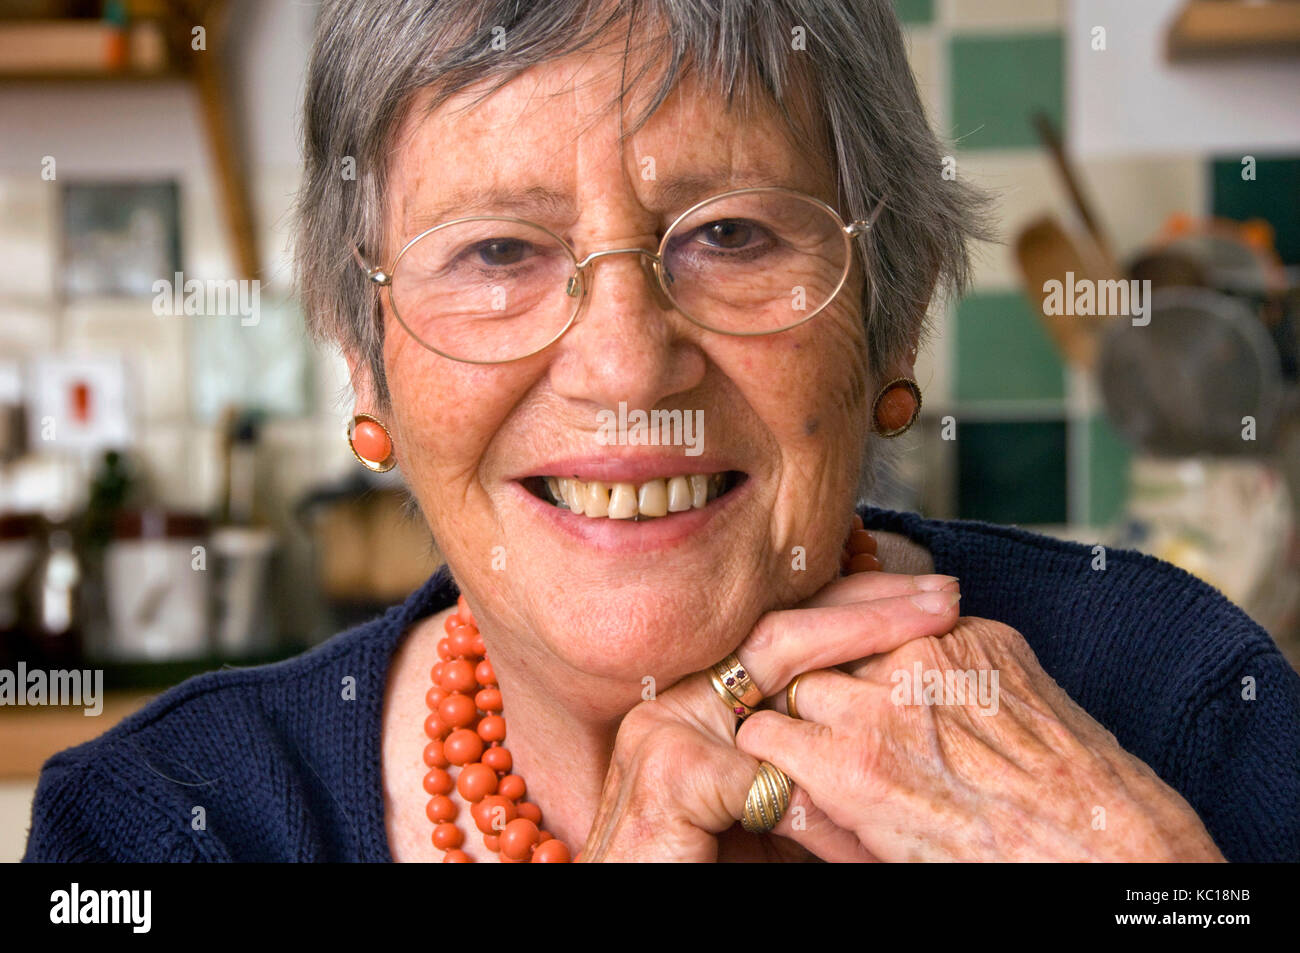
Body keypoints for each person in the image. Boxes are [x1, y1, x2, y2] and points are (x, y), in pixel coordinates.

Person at [24, 0, 1300, 862]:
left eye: (732, 233)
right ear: (366, 358)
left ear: (894, 316)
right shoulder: (173, 823)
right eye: (498, 250)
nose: (626, 360)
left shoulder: (1176, 702)